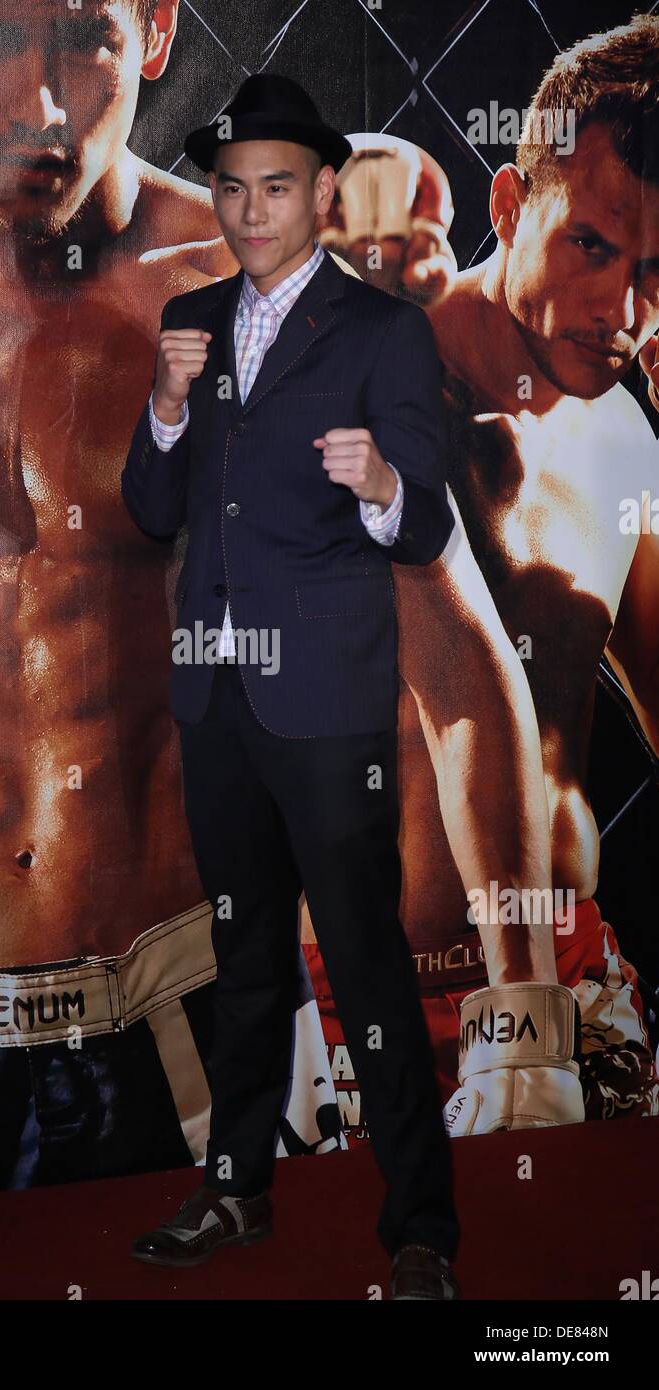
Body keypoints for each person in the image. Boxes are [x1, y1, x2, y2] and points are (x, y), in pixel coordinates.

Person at [0, 0, 344, 1215]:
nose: (39, 104)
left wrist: (506, 1008)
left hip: (196, 993)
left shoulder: (255, 286)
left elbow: (434, 641)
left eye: (86, 41)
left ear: (154, 34)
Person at [121, 73, 461, 1299]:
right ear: (213, 197)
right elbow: (154, 510)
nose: (251, 210)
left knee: (365, 961)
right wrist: (163, 406)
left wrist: (378, 481)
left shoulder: (382, 332)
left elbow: (423, 527)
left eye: (276, 188)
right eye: (231, 188)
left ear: (322, 193)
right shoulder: (189, 320)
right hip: (215, 701)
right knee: (244, 957)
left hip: (323, 707)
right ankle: (235, 1189)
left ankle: (420, 1224)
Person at [309, 16, 659, 1132]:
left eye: (656, 271)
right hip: (343, 1009)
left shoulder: (624, 441)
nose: (621, 311)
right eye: (590, 248)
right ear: (507, 207)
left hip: (569, 985)